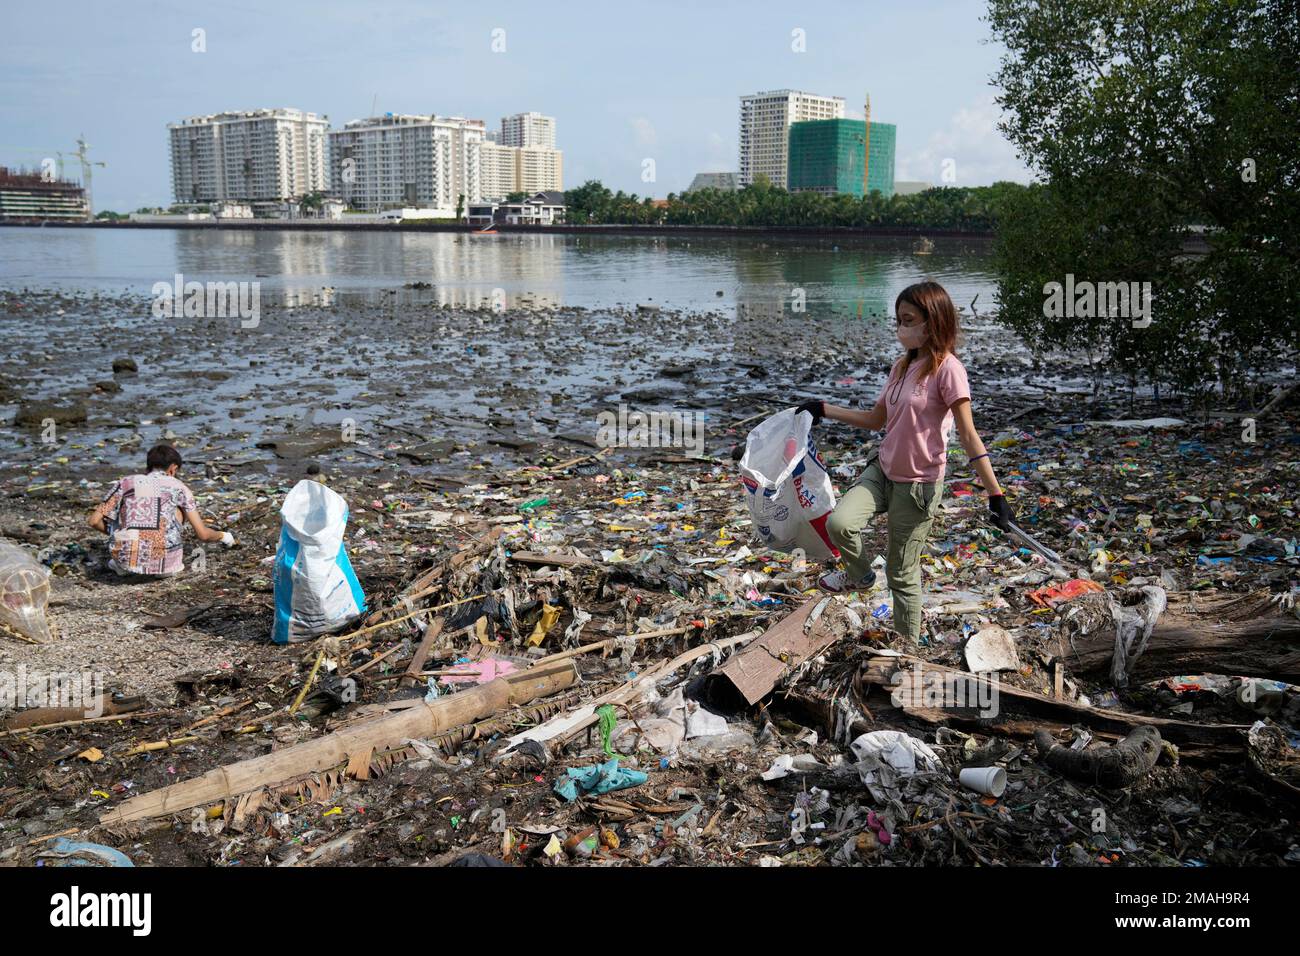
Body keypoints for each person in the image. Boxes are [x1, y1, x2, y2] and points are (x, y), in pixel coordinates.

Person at [796, 281, 1015, 641]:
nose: (901, 329)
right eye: (898, 320)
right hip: (882, 469)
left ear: (933, 321)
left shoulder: (948, 370)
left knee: (901, 573)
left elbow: (968, 434)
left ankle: (906, 650)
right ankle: (861, 575)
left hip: (918, 485)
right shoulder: (901, 366)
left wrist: (995, 494)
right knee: (840, 523)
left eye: (908, 320)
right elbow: (876, 420)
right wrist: (823, 409)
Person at [88, 444, 234, 576]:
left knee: (135, 509)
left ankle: (125, 558)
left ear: (148, 467)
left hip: (124, 560)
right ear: (173, 468)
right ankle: (162, 563)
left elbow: (94, 521)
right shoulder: (178, 487)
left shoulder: (126, 482)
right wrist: (224, 536)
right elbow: (203, 534)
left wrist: (123, 533)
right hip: (166, 565)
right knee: (174, 509)